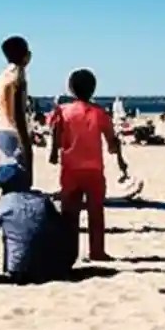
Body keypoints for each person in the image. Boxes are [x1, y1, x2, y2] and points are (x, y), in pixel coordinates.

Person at [48, 68, 129, 261]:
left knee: (69, 213)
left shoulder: (63, 111)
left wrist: (53, 153)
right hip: (93, 169)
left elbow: (55, 134)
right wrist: (120, 160)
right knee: (96, 212)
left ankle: (69, 252)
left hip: (70, 169)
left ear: (70, 89)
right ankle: (97, 251)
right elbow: (112, 142)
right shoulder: (99, 113)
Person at [0, 165, 76, 283]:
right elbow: (60, 224)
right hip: (53, 268)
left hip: (19, 271)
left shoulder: (3, 204)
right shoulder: (42, 200)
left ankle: (9, 264)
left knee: (10, 231)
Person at [0, 35, 34, 185]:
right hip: (13, 131)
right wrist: (25, 140)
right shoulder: (18, 77)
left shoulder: (2, 76)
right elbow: (17, 113)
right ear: (26, 56)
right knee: (20, 173)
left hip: (1, 128)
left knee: (7, 170)